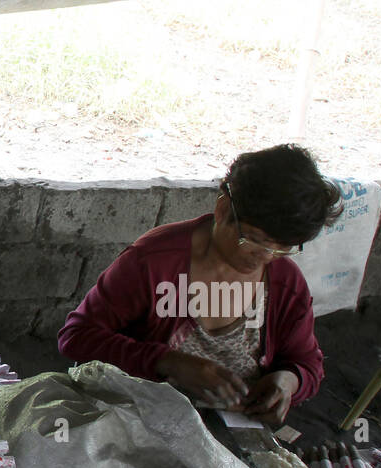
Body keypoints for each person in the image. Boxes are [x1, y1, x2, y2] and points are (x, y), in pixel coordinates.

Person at [58, 144, 343, 425]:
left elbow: (308, 364)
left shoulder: (285, 283)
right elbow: (76, 337)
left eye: (282, 248)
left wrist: (288, 381)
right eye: (255, 240)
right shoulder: (155, 262)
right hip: (138, 416)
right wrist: (168, 362)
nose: (266, 257)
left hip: (230, 426)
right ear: (222, 209)